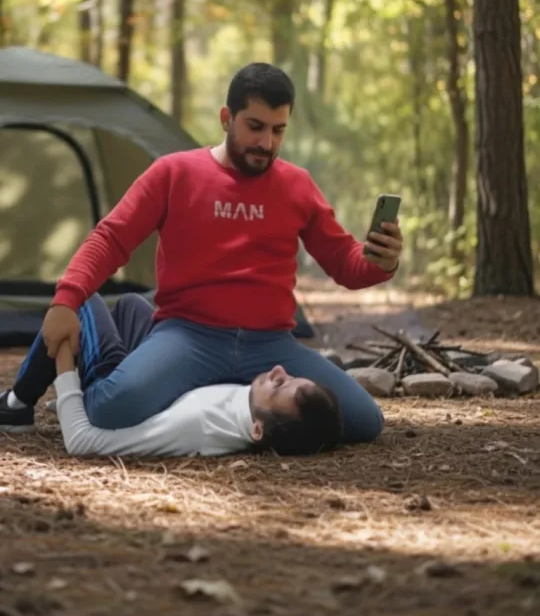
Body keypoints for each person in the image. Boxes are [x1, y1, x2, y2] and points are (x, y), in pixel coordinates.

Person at [0, 63, 403, 445]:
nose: (267, 143)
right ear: (226, 118)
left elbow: (344, 263)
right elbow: (111, 238)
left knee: (364, 422)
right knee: (110, 410)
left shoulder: (297, 185)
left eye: (279, 130)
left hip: (272, 347)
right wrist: (67, 298)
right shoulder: (174, 173)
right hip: (189, 335)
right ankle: (83, 370)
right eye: (255, 127)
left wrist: (379, 262)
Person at [0, 294, 342, 457]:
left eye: (279, 385)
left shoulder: (198, 422)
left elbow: (82, 442)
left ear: (257, 429)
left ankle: (18, 402)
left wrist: (65, 370)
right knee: (132, 305)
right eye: (290, 375)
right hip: (150, 388)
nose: (278, 371)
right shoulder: (244, 409)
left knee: (78, 301)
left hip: (106, 394)